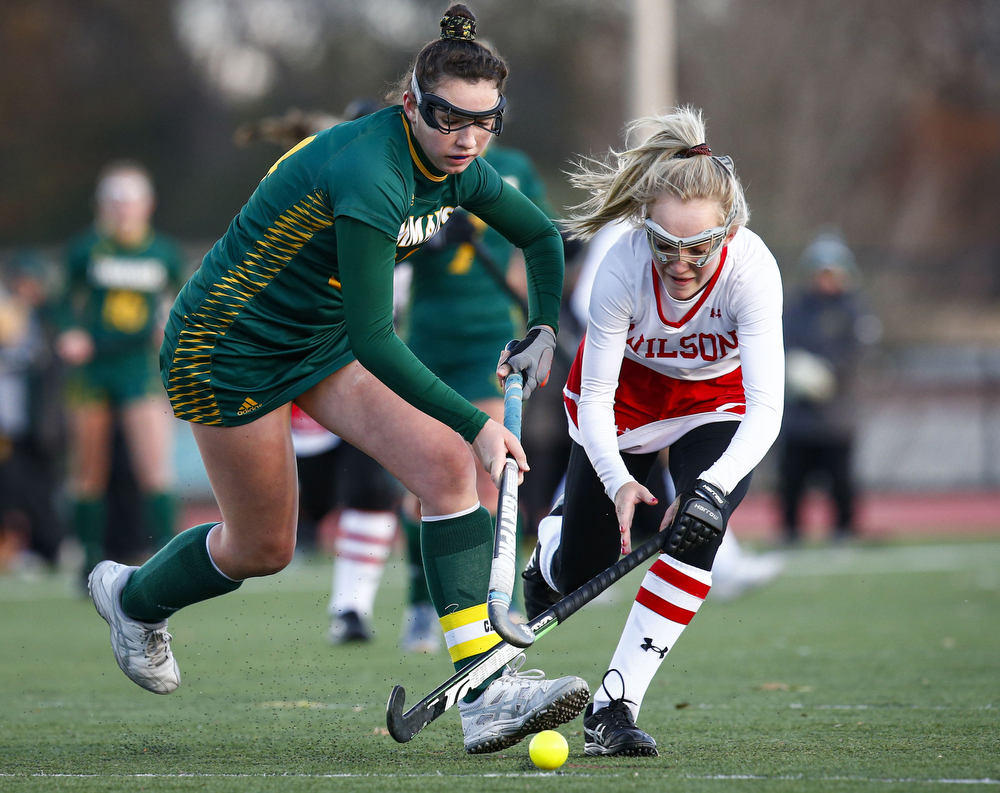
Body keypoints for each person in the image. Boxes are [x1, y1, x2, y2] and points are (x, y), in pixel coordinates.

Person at [86, 4, 588, 756]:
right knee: (263, 546)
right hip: (226, 349)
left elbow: (542, 235)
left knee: (446, 467)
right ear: (412, 103)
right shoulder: (371, 170)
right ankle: (130, 596)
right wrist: (478, 421)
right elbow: (375, 338)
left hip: (316, 341)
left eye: (488, 122)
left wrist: (542, 327)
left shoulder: (459, 166)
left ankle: (486, 693)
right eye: (452, 118)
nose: (469, 139)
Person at [518, 107, 785, 756]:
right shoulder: (622, 264)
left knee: (700, 529)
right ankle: (550, 552)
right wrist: (615, 481)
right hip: (626, 405)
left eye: (700, 247)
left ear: (731, 229)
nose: (683, 263)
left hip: (716, 402)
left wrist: (712, 491)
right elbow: (600, 396)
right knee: (586, 567)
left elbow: (765, 407)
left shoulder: (752, 267)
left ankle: (614, 705)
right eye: (667, 245)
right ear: (646, 231)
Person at [398, 140, 556, 653]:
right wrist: (431, 238)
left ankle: (500, 610)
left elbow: (535, 240)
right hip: (424, 343)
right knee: (423, 487)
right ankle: (422, 605)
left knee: (496, 476)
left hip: (488, 342)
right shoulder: (416, 170)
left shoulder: (513, 170)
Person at [57, 162, 183, 584]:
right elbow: (59, 301)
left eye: (130, 202)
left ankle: (167, 555)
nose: (123, 211)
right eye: (115, 202)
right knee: (88, 469)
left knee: (154, 465)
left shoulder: (163, 252)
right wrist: (69, 332)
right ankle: (88, 559)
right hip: (93, 370)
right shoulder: (85, 249)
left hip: (139, 368)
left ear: (147, 205)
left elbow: (185, 300)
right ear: (102, 206)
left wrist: (170, 326)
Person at [779, 230, 878, 543]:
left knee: (841, 480)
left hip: (837, 416)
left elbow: (857, 354)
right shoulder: (794, 309)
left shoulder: (855, 311)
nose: (825, 280)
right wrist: (796, 370)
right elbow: (782, 345)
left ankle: (844, 531)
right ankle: (791, 532)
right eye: (820, 273)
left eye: (832, 273)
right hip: (798, 415)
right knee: (791, 478)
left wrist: (826, 374)